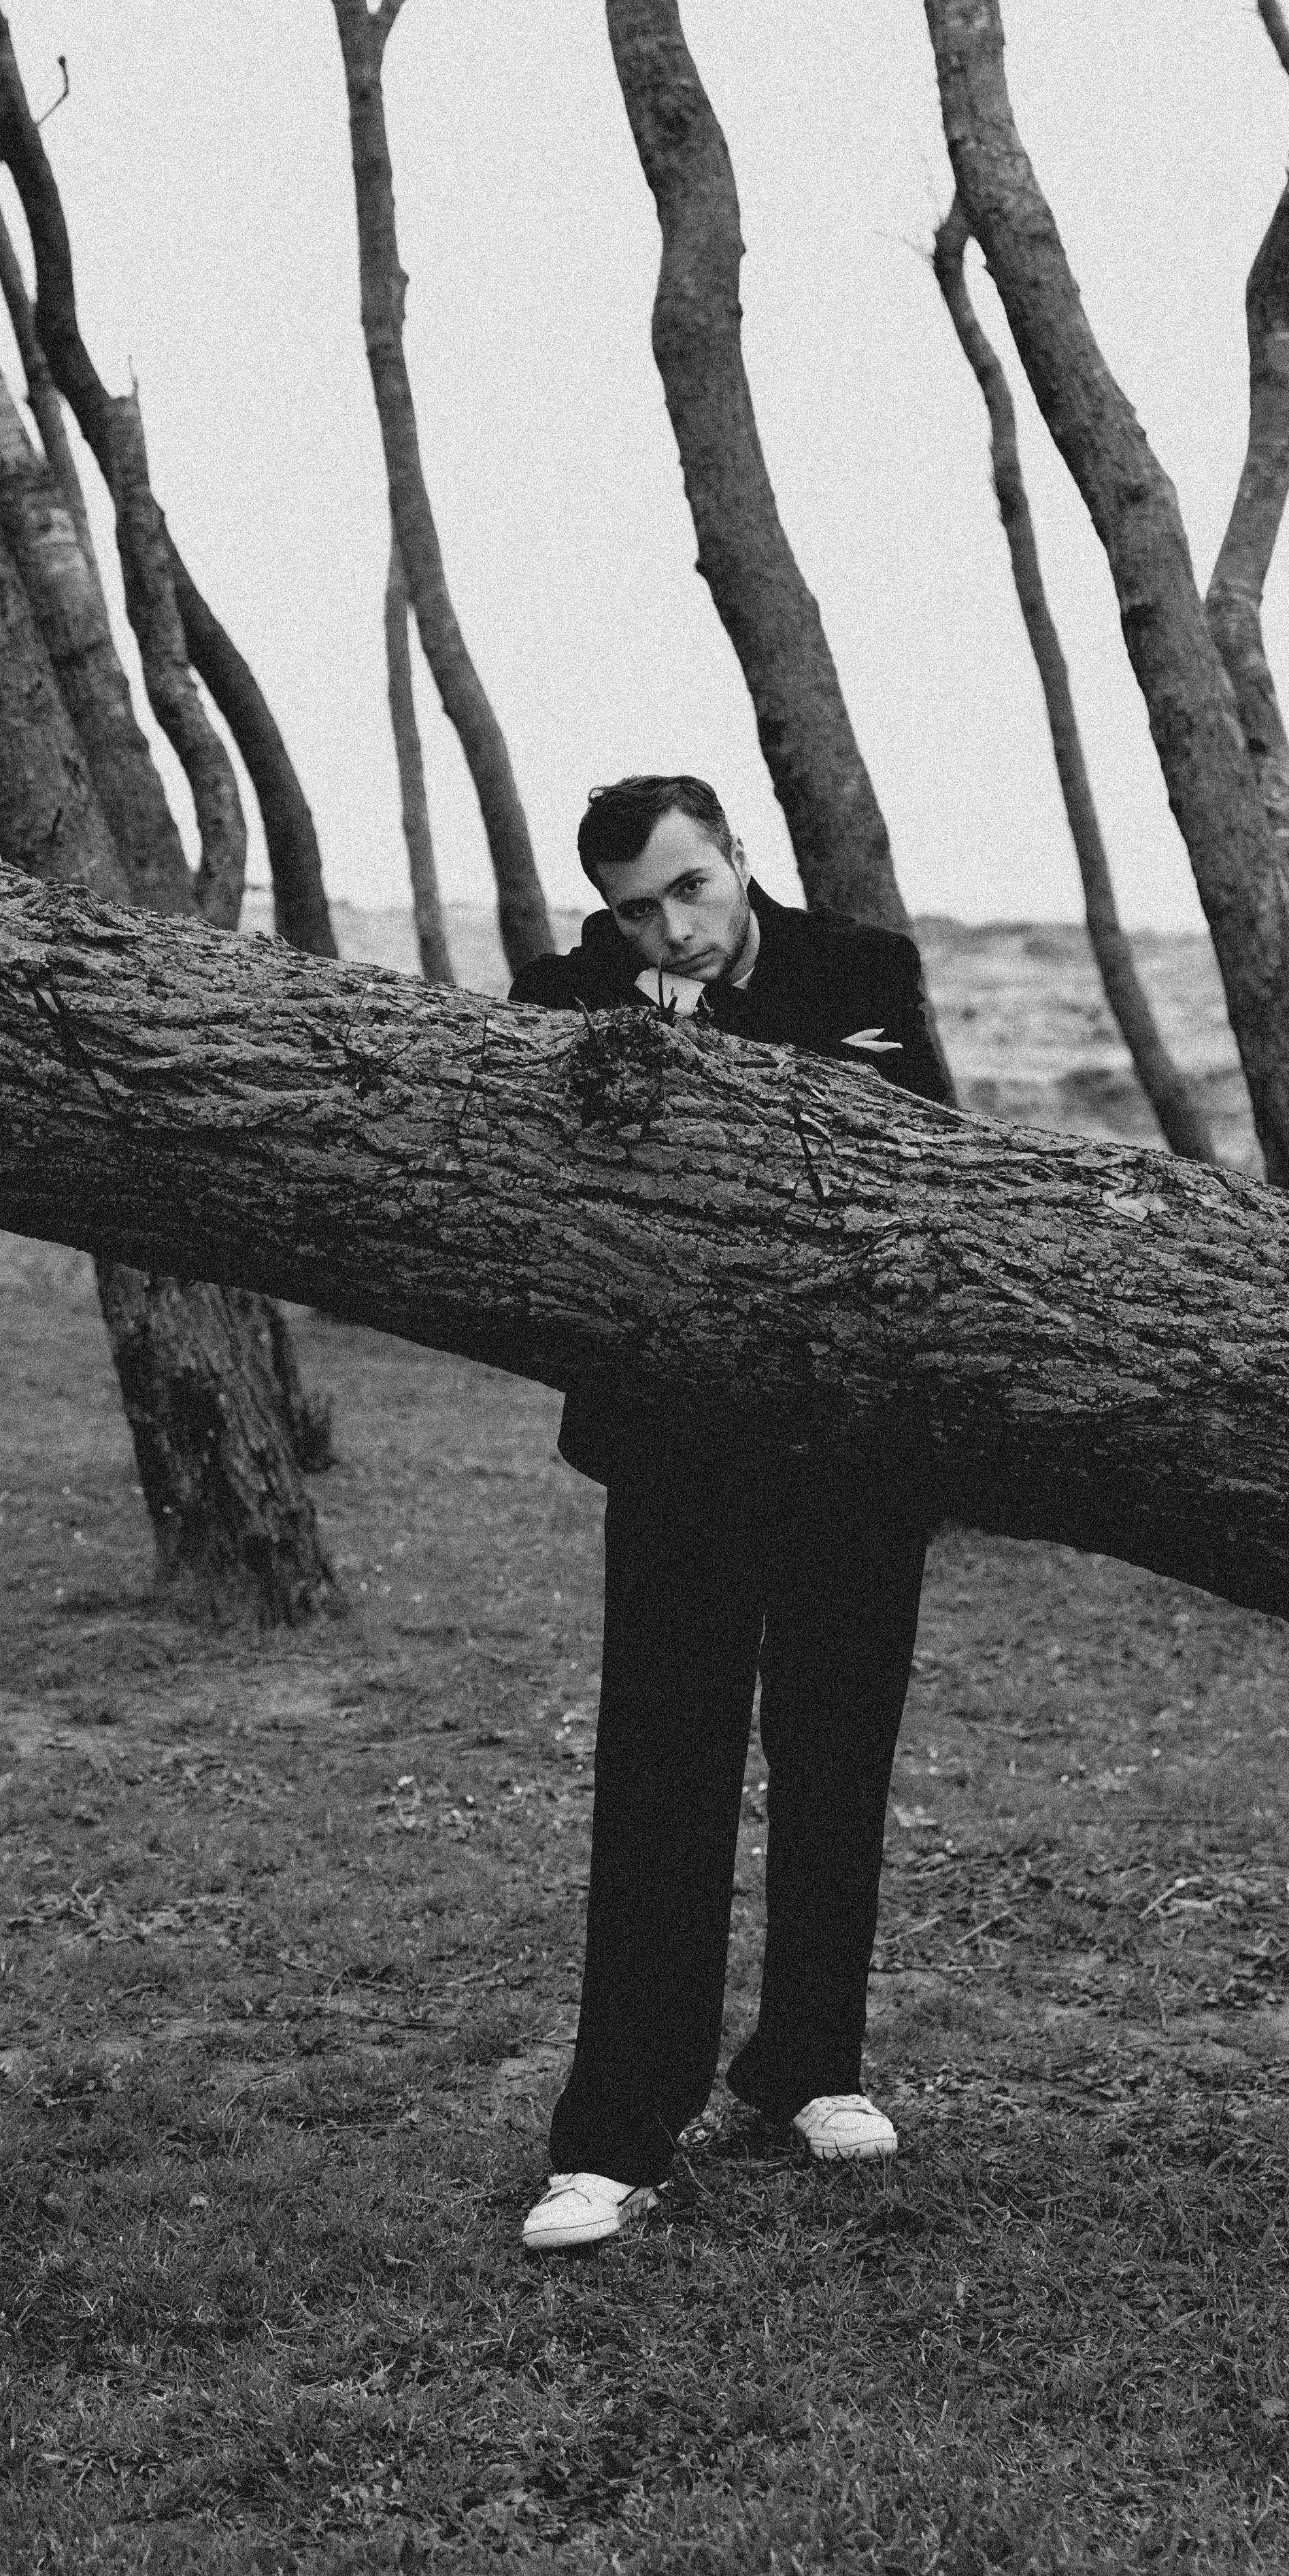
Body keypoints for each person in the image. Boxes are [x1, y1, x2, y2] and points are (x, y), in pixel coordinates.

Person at [507, 774, 950, 2252]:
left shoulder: (864, 971)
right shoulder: (573, 993)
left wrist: (730, 1050)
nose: (672, 927)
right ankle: (617, 2135)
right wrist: (637, 1029)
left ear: (738, 859)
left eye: (691, 889)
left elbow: (913, 1154)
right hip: (681, 1447)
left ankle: (813, 2064)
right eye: (639, 905)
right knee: (662, 1778)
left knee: (835, 1758)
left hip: (850, 1442)